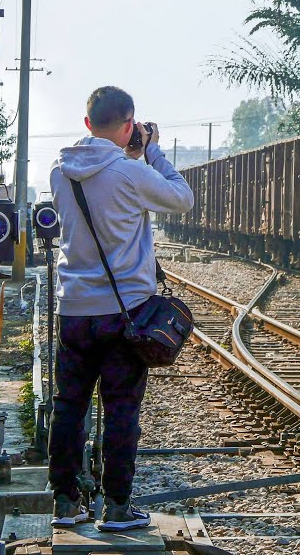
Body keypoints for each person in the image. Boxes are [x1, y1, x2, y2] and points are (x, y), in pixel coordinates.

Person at [47, 86, 194, 531]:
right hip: (124, 311)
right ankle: (116, 507)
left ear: (87, 123)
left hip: (72, 309)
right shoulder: (131, 172)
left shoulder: (59, 170)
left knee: (69, 407)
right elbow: (182, 198)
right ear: (130, 124)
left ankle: (66, 504)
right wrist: (151, 152)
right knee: (121, 410)